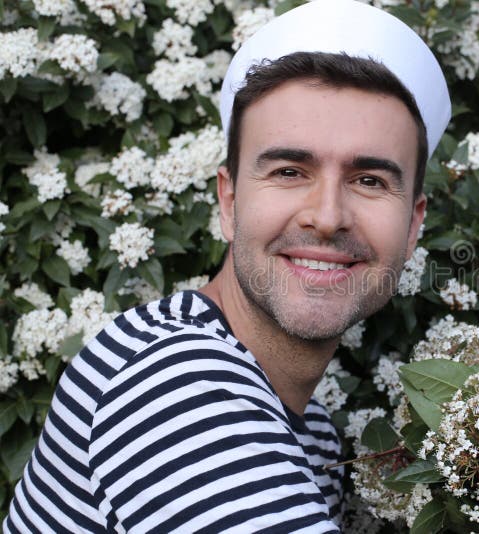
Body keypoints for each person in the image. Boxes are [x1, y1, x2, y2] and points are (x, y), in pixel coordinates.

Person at [3, 0, 450, 532]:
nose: (328, 217)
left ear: (414, 223)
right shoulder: (172, 386)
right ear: (230, 202)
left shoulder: (315, 436)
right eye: (289, 171)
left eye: (370, 180)